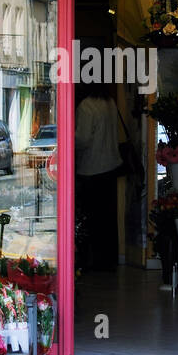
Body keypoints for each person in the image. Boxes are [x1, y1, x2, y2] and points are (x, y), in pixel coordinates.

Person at [74, 81, 122, 272]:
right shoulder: (109, 102)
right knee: (107, 218)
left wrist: (66, 137)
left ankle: (91, 261)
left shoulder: (86, 105)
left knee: (90, 218)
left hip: (91, 168)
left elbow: (83, 139)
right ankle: (108, 260)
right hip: (111, 166)